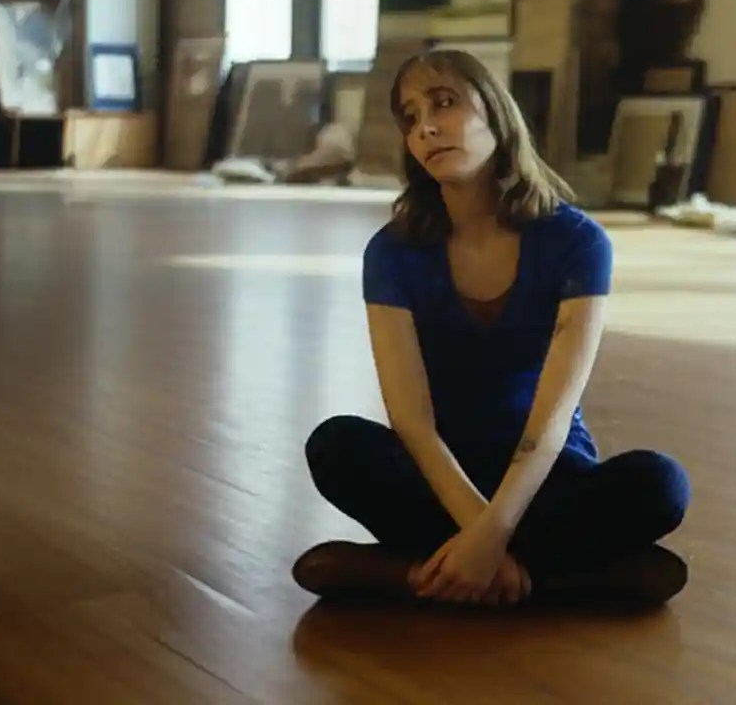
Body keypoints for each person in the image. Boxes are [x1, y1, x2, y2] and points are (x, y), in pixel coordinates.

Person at [293, 50, 691, 609]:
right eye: (410, 117)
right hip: (439, 477)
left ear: (497, 116)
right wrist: (481, 535)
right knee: (334, 445)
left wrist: (490, 535)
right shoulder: (393, 251)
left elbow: (551, 422)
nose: (426, 125)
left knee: (660, 484)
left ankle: (411, 575)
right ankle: (555, 581)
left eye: (445, 103)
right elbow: (412, 420)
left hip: (545, 474)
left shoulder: (577, 243)